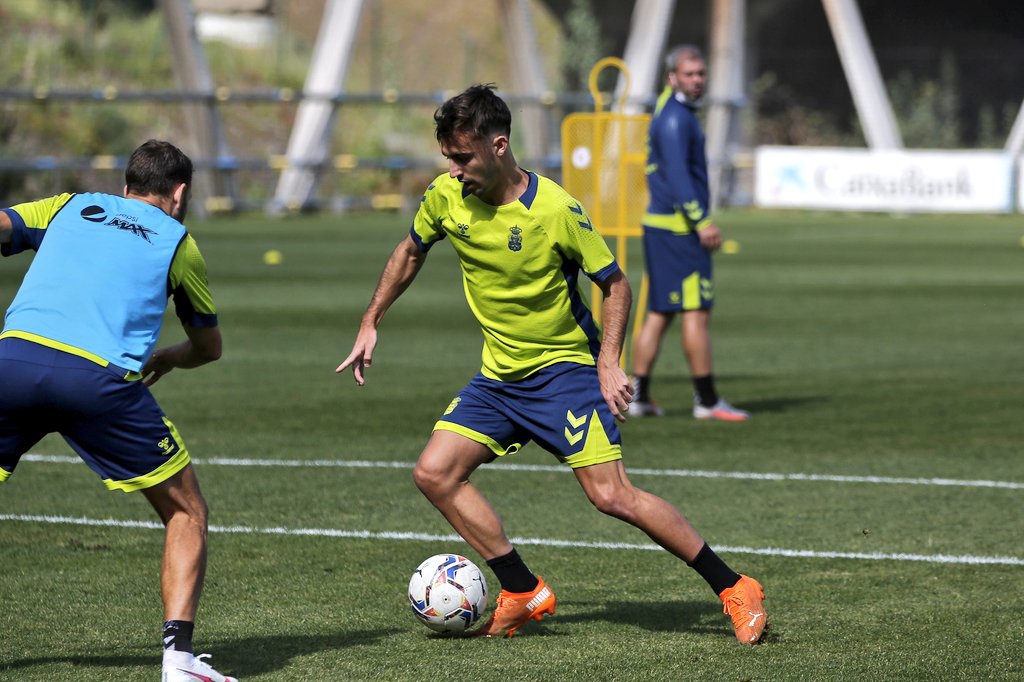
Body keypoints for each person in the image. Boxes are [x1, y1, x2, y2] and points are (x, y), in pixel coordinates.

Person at [337, 84, 767, 644]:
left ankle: (735, 586)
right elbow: (410, 250)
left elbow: (614, 284)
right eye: (447, 157)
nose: (453, 169)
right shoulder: (446, 197)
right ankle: (521, 590)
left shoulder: (556, 210)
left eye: (462, 157)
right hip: (498, 377)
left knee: (611, 496)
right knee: (435, 474)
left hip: (564, 372)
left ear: (498, 146)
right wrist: (372, 319)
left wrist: (608, 363)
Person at [0, 140, 238, 682]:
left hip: (11, 361)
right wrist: (168, 360)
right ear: (179, 194)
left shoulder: (65, 205)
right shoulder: (179, 242)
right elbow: (209, 347)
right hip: (97, 382)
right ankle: (177, 661)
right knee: (186, 512)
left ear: (126, 183)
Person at [629, 44, 750, 421]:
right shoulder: (675, 119)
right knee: (696, 312)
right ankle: (708, 401)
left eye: (701, 74)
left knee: (659, 313)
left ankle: (639, 397)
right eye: (690, 74)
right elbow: (679, 177)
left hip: (661, 227)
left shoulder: (669, 110)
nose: (698, 80)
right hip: (679, 232)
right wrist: (702, 222)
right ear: (672, 77)